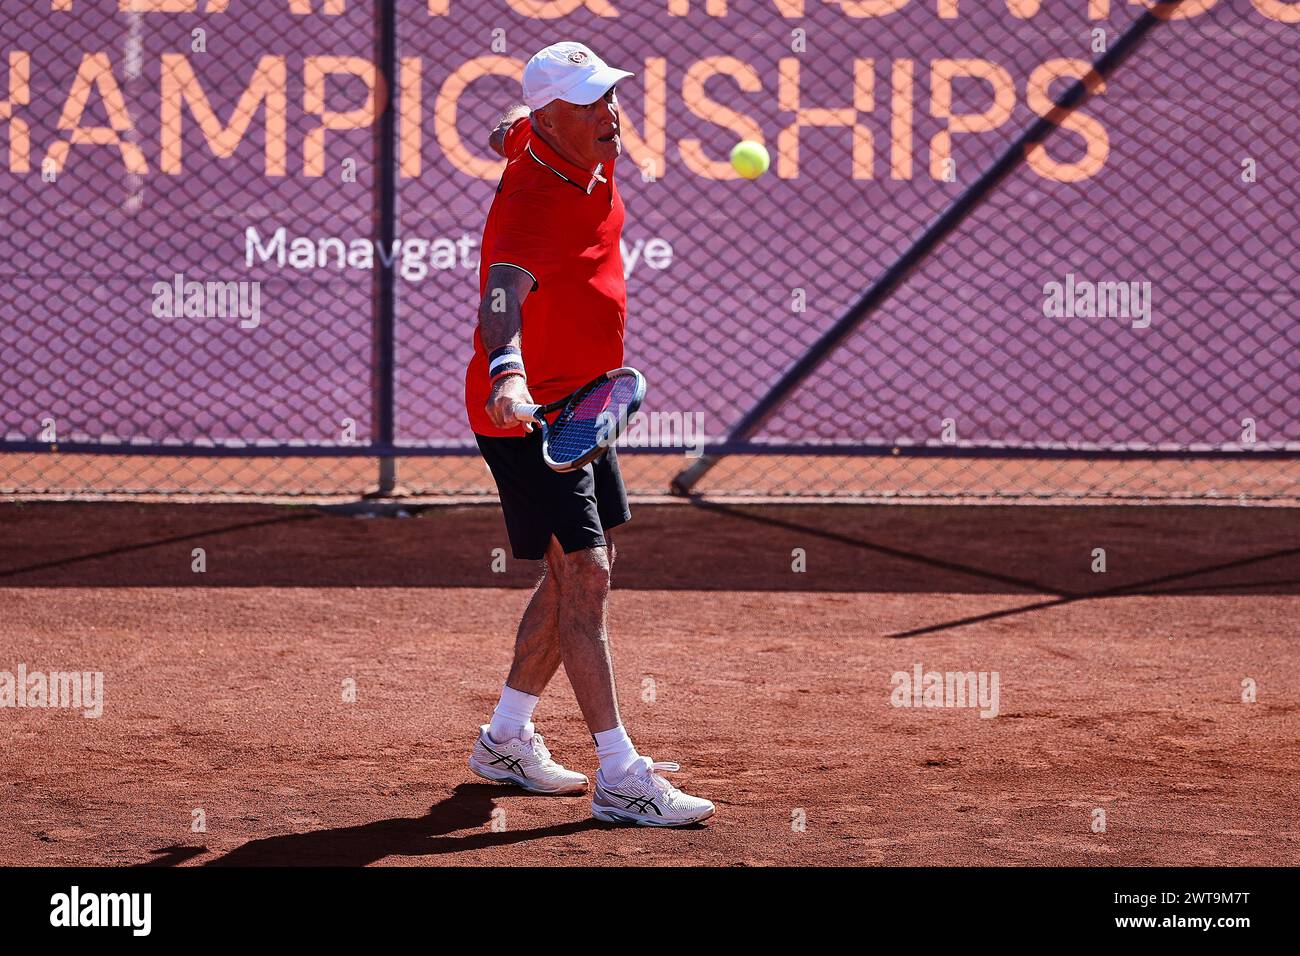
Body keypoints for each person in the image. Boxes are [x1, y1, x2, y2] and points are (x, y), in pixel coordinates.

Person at [463, 41, 713, 827]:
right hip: (533, 414)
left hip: (586, 401)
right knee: (590, 574)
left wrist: (511, 121)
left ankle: (505, 738)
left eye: (610, 96)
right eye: (592, 102)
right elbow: (501, 294)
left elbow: (504, 126)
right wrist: (509, 374)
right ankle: (620, 772)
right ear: (551, 117)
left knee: (580, 570)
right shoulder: (532, 201)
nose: (612, 114)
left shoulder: (556, 139)